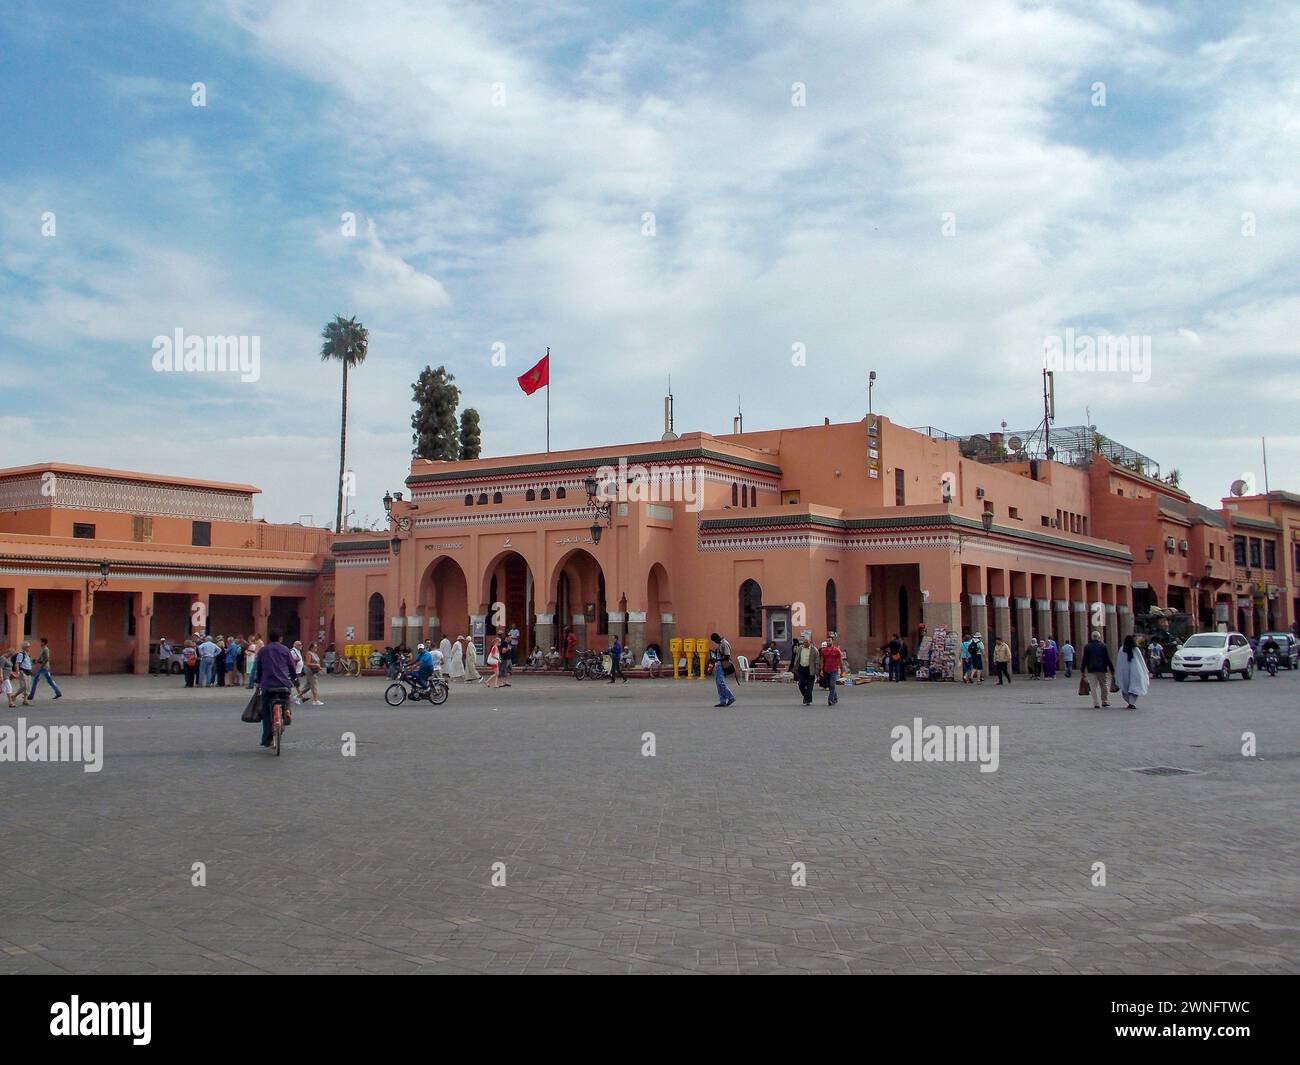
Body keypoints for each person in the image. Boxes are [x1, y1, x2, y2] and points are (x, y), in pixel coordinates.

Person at [252, 631, 295, 748]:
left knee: (266, 712)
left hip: (268, 685)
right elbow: (292, 666)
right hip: (283, 684)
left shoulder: (263, 650)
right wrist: (294, 678)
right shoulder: (285, 650)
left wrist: (258, 681)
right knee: (286, 697)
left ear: (269, 639)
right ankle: (287, 710)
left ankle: (266, 739)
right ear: (280, 638)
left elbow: (259, 668)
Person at [1081, 630, 1115, 709]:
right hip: (1102, 669)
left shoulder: (1087, 646)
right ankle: (1104, 701)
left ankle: (1096, 703)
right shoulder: (1103, 646)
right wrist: (1112, 669)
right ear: (1099, 637)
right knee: (1104, 685)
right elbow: (1107, 658)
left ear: (1092, 637)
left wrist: (1082, 670)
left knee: (1093, 686)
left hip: (1091, 669)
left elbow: (1084, 659)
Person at [1115, 634, 1150, 710]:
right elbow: (1141, 661)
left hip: (1124, 671)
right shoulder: (1135, 649)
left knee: (1126, 687)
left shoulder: (1122, 649)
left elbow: (1119, 662)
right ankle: (1131, 703)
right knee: (1134, 687)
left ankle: (1130, 703)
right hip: (1136, 671)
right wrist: (1144, 670)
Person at [28, 636, 63, 701]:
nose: (40, 643)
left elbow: (46, 658)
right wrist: (37, 661)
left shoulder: (45, 649)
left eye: (41, 642)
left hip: (44, 668)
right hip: (45, 667)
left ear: (43, 643)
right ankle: (58, 692)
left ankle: (31, 696)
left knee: (35, 680)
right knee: (49, 681)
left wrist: (42, 665)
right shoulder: (44, 649)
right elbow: (42, 659)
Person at [709, 632, 736, 707]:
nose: (715, 642)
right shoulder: (720, 644)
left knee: (721, 683)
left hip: (722, 665)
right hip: (718, 665)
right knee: (718, 684)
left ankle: (730, 697)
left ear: (717, 637)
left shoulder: (724, 643)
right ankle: (722, 701)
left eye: (715, 641)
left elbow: (727, 656)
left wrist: (717, 660)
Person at [820, 635, 843, 706]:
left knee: (832, 684)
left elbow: (840, 660)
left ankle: (830, 699)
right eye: (827, 641)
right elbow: (822, 660)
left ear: (832, 641)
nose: (828, 642)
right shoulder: (823, 651)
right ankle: (835, 698)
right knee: (830, 685)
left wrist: (842, 670)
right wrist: (821, 670)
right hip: (826, 670)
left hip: (834, 670)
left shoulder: (836, 650)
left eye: (829, 640)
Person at [793, 634, 816, 705]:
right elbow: (795, 652)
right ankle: (807, 697)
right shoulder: (800, 648)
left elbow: (817, 661)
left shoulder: (814, 650)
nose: (805, 643)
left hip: (810, 669)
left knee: (810, 686)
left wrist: (817, 670)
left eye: (807, 642)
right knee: (800, 684)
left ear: (810, 642)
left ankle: (807, 699)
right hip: (802, 668)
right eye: (804, 642)